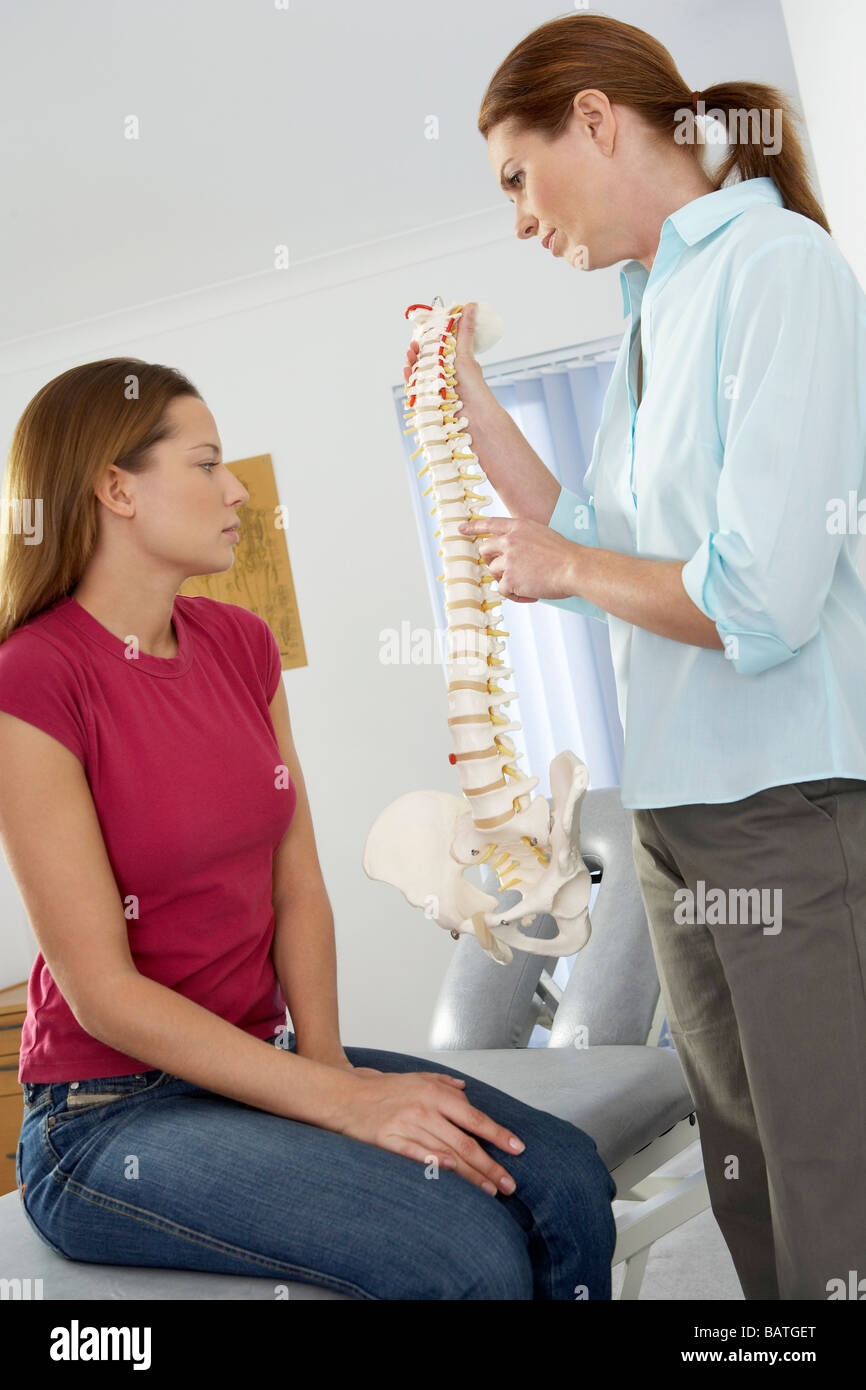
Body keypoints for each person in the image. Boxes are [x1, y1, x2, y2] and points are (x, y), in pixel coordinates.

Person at [414, 13, 866, 1300]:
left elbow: (760, 597)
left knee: (827, 1182)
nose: (515, 220)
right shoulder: (652, 303)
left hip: (781, 802)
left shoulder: (776, 267)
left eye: (516, 174)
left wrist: (563, 568)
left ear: (598, 120)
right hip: (676, 813)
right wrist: (474, 408)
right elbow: (594, 538)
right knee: (745, 1177)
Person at [0, 364, 617, 1300]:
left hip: (260, 1061)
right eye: (207, 464)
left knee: (565, 1176)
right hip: (106, 1115)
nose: (237, 487)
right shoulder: (33, 678)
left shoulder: (240, 646)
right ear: (116, 488)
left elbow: (298, 886)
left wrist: (328, 1073)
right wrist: (337, 1101)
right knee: (461, 1251)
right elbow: (104, 995)